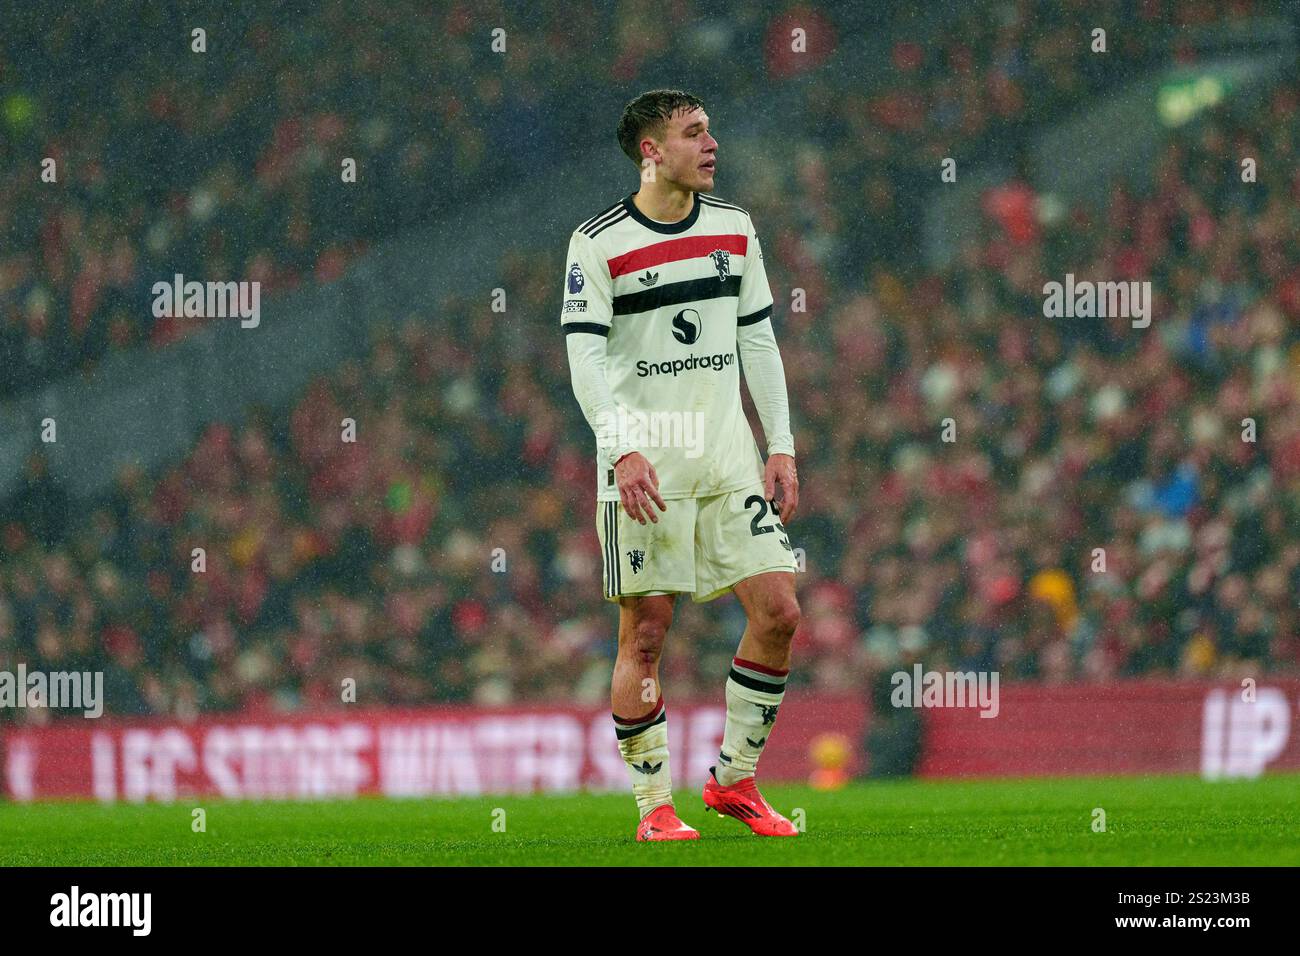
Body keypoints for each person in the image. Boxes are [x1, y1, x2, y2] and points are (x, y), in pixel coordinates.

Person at [561, 89, 802, 841]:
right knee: (646, 637)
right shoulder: (596, 244)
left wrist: (782, 444)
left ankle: (734, 780)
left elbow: (758, 341)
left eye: (710, 130)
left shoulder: (733, 228)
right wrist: (619, 447)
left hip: (729, 458)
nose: (712, 144)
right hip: (646, 466)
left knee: (780, 612)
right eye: (694, 134)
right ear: (651, 151)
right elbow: (584, 356)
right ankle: (653, 808)